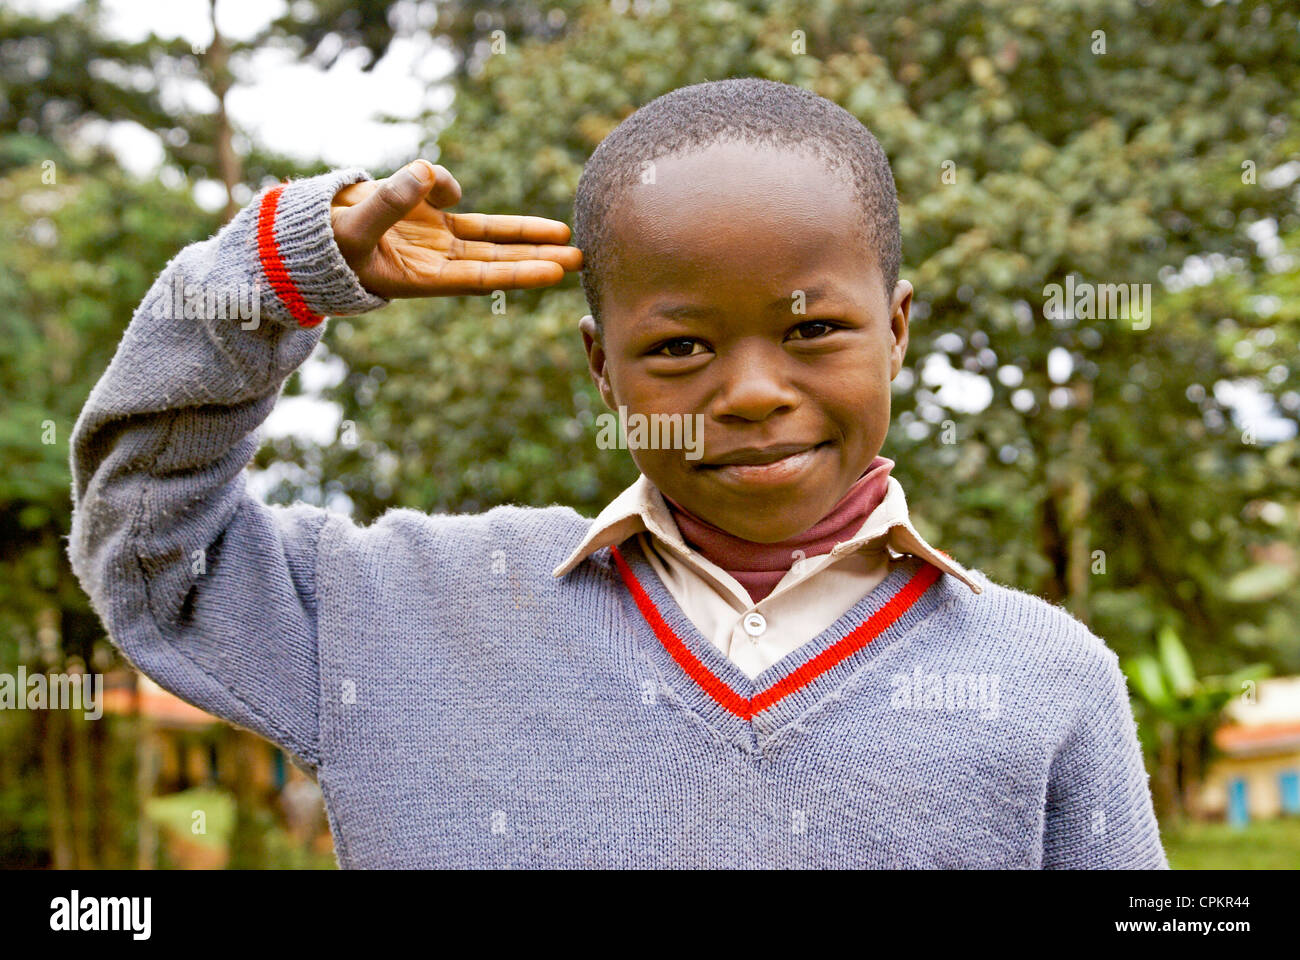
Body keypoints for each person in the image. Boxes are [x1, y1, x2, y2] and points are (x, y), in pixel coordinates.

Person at [68, 78, 1167, 868]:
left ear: (897, 329)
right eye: (681, 346)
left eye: (813, 329)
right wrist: (271, 280)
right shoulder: (402, 616)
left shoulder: (1044, 680)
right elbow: (154, 557)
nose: (746, 391)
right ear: (602, 367)